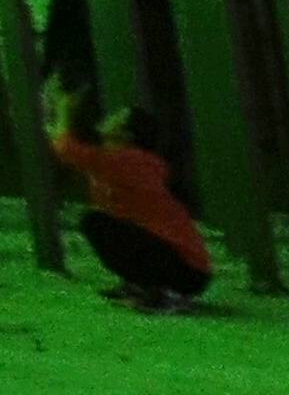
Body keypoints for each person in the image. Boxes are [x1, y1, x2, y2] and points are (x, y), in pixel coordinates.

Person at [48, 87, 212, 311]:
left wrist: (64, 111)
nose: (109, 117)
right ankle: (144, 286)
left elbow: (67, 150)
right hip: (186, 266)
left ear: (126, 134)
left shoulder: (128, 161)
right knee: (108, 224)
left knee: (96, 223)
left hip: (183, 267)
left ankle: (156, 290)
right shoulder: (131, 162)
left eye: (118, 117)